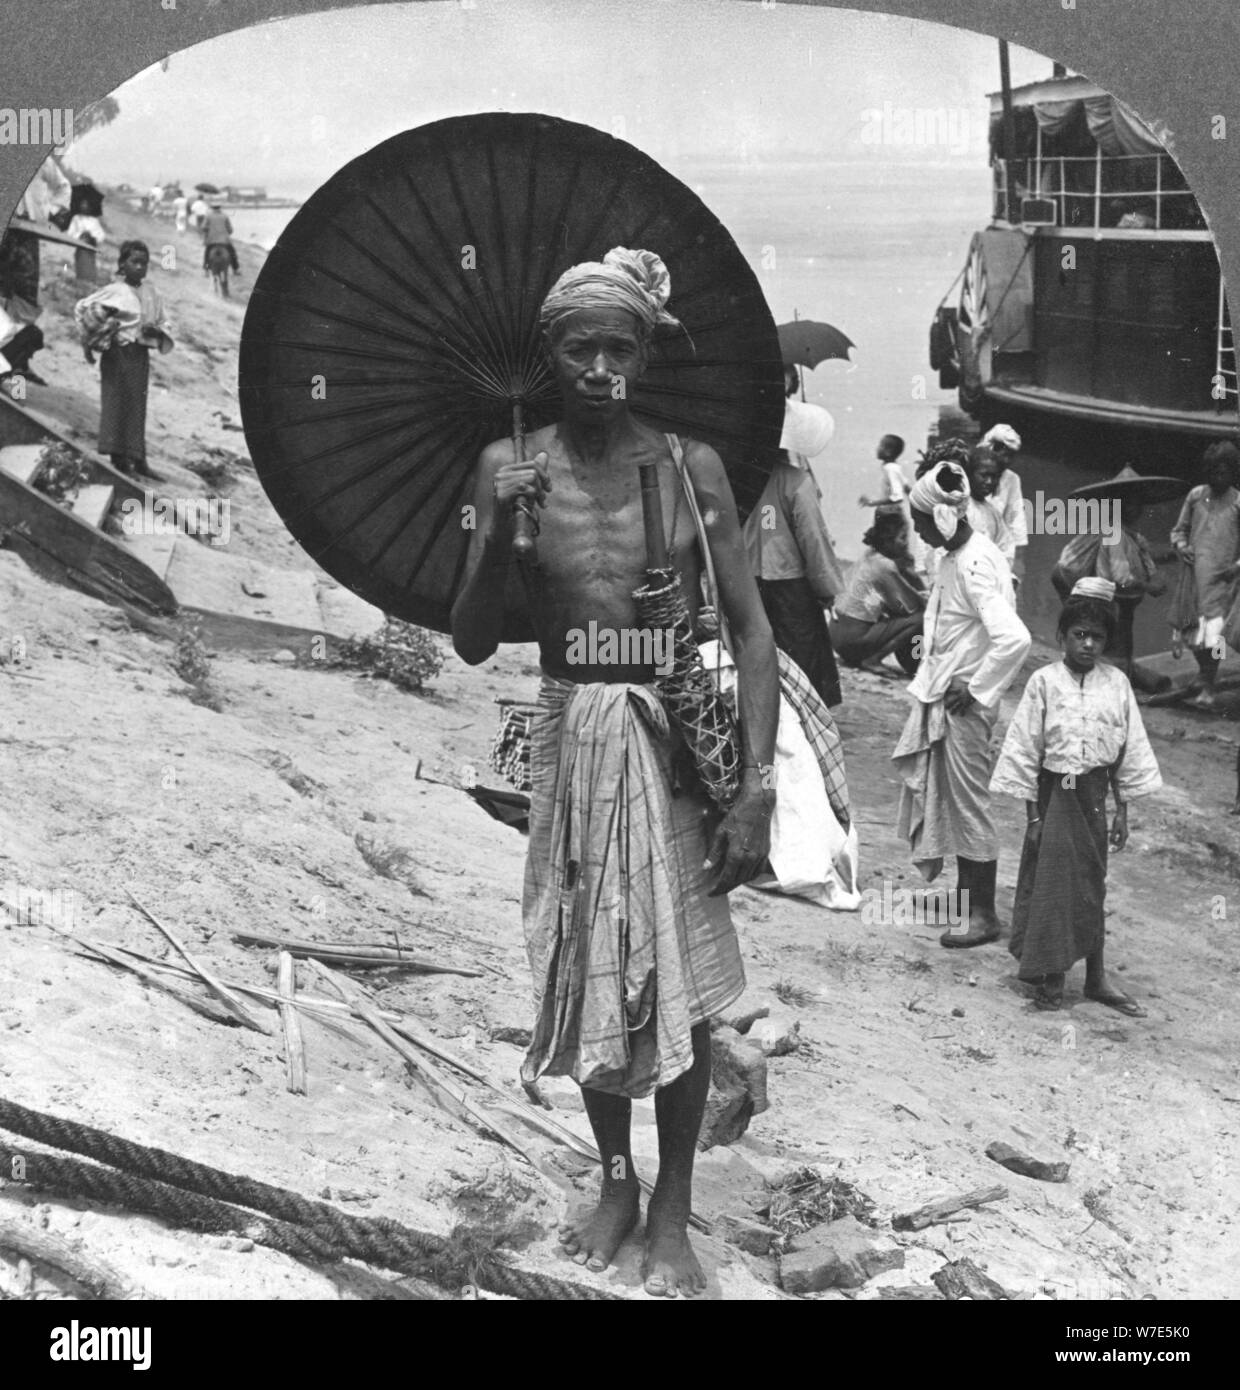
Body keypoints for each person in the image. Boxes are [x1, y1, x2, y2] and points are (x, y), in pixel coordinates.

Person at [450, 246, 779, 1298]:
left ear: (644, 351)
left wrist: (757, 785)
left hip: (671, 737)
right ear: (547, 353)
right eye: (580, 346)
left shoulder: (691, 469)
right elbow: (464, 642)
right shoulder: (511, 465)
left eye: (619, 346)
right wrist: (500, 531)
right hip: (567, 731)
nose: (600, 365)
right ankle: (612, 1181)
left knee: (674, 989)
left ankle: (674, 1207)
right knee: (587, 965)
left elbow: (754, 632)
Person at [991, 578, 1162, 1014]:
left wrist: (1122, 810)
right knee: (1052, 885)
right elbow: (1025, 750)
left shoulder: (1117, 684)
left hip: (1092, 794)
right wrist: (1033, 819)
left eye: (1097, 637)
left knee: (1091, 886)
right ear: (1062, 636)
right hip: (1055, 793)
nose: (1088, 644)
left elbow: (1129, 750)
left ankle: (1095, 978)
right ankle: (1050, 975)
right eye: (1079, 635)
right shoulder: (1044, 683)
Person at [891, 450, 1031, 948]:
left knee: (970, 802)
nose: (921, 533)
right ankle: (964, 899)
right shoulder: (958, 556)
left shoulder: (975, 564)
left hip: (965, 702)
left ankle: (984, 914)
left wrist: (974, 688)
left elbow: (1014, 639)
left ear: (945, 516)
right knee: (950, 797)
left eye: (923, 524)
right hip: (948, 692)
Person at [743, 400, 845, 708]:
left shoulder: (738, 477)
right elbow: (813, 539)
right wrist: (827, 590)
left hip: (748, 581)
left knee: (756, 658)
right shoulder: (797, 481)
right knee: (800, 664)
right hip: (790, 585)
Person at [73, 240, 174, 479]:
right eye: (134, 262)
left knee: (137, 406)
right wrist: (94, 335)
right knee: (117, 403)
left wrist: (157, 331)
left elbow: (165, 320)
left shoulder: (152, 292)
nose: (140, 267)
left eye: (144, 263)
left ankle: (139, 459)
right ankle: (119, 459)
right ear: (122, 264)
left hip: (140, 355)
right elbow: (82, 307)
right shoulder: (115, 290)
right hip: (118, 353)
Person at [1169, 440, 1240, 707]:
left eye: (1223, 472)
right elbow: (1179, 529)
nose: (1217, 477)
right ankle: (1203, 672)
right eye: (1213, 472)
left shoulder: (1237, 503)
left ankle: (1209, 681)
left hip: (1224, 579)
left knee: (1216, 635)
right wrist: (1182, 546)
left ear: (1233, 472)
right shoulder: (1196, 495)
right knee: (1190, 631)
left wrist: (1236, 567)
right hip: (1194, 576)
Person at [831, 507, 926, 675]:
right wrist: (911, 573)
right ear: (888, 541)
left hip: (836, 636)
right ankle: (872, 660)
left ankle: (866, 657)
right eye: (902, 538)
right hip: (852, 639)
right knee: (919, 618)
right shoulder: (884, 566)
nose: (906, 543)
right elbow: (910, 607)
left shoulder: (869, 556)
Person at [982, 423, 1029, 583]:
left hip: (997, 550)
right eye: (1005, 455)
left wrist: (1019, 560)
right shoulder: (969, 473)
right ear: (993, 448)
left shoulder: (1011, 479)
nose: (1008, 461)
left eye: (1012, 456)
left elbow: (1016, 519)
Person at [966, 446, 1015, 568]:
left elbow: (1005, 548)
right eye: (984, 475)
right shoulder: (959, 508)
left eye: (994, 477)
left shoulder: (993, 513)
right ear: (969, 474)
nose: (989, 481)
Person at [201, 201, 240, 276]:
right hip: (224, 241)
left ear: (212, 208)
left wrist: (209, 230)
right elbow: (230, 230)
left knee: (207, 253)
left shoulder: (208, 216)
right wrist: (227, 232)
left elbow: (203, 227)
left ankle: (206, 271)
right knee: (232, 253)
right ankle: (235, 270)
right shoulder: (225, 215)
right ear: (220, 207)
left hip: (212, 241)